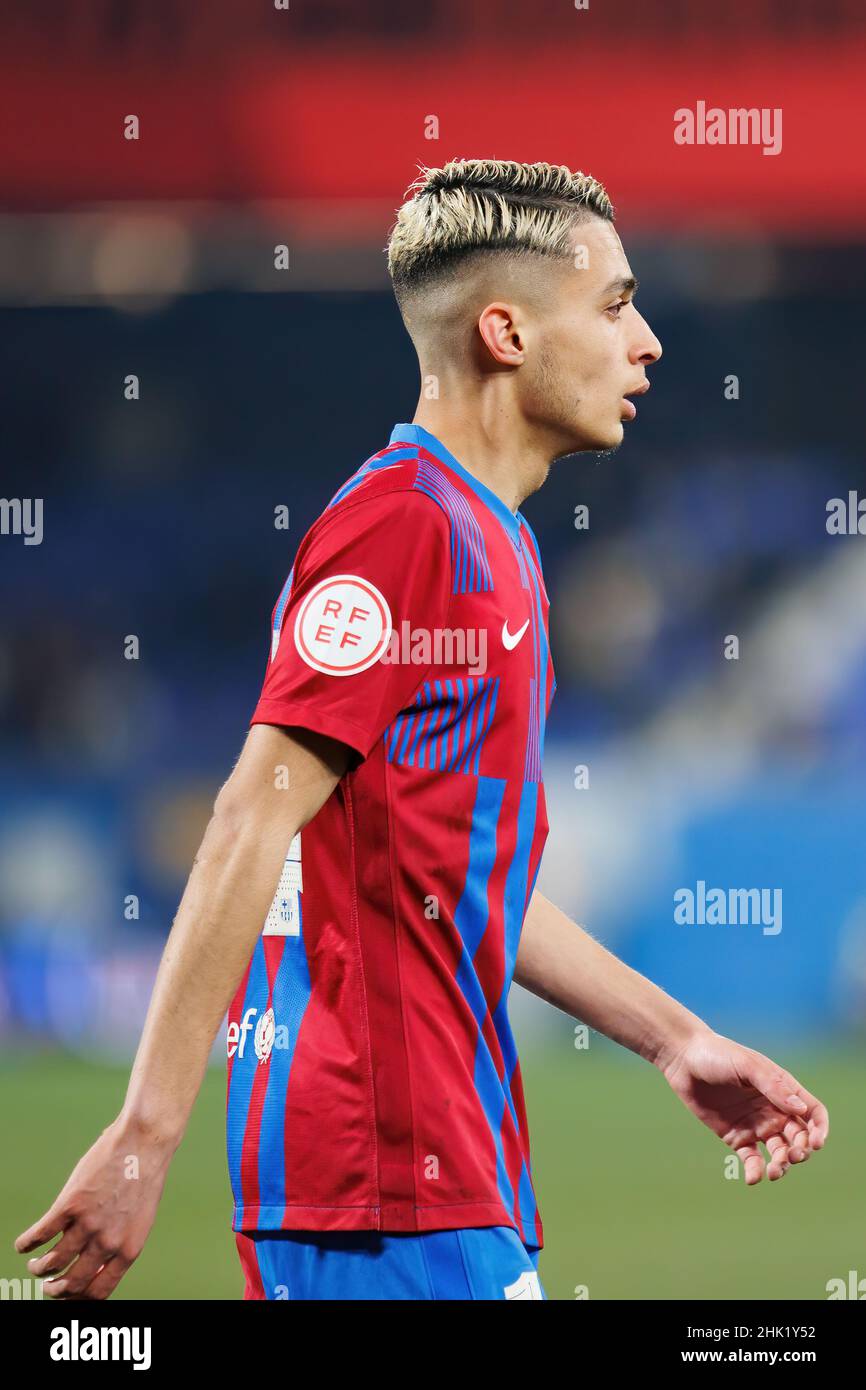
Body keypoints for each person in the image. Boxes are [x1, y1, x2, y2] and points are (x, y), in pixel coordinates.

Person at [16, 159, 829, 1301]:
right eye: (611, 304)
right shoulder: (402, 529)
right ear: (503, 331)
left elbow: (456, 871)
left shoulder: (492, 544)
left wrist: (671, 1038)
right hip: (375, 1175)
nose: (645, 341)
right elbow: (250, 813)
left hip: (435, 1165)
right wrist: (146, 1133)